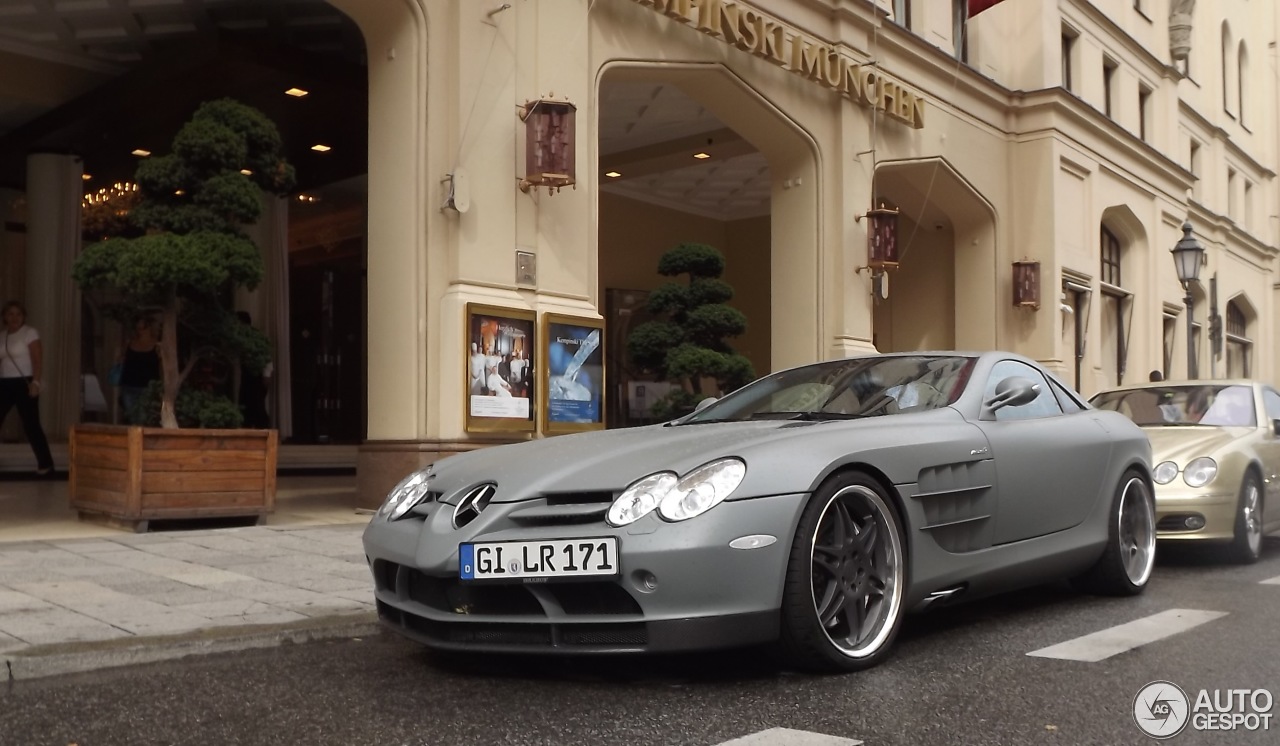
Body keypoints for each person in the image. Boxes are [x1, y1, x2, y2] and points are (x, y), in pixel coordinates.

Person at [0, 301, 55, 475]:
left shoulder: (30, 333)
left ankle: (45, 464)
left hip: (24, 382)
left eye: (18, 314)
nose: (14, 317)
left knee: (31, 424)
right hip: (4, 383)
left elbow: (37, 359)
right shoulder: (2, 335)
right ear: (4, 317)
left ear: (23, 317)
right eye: (10, 314)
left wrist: (36, 382)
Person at [117, 315, 161, 422]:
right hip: (129, 386)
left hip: (148, 388)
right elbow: (121, 360)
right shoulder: (129, 343)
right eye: (138, 328)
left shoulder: (158, 345)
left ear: (150, 328)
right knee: (132, 418)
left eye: (143, 328)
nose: (141, 331)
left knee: (143, 418)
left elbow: (161, 367)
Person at [236, 311, 271, 429]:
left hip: (257, 375)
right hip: (246, 375)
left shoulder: (257, 337)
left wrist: (266, 375)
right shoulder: (238, 338)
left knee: (257, 405)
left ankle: (265, 432)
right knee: (244, 405)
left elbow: (267, 356)